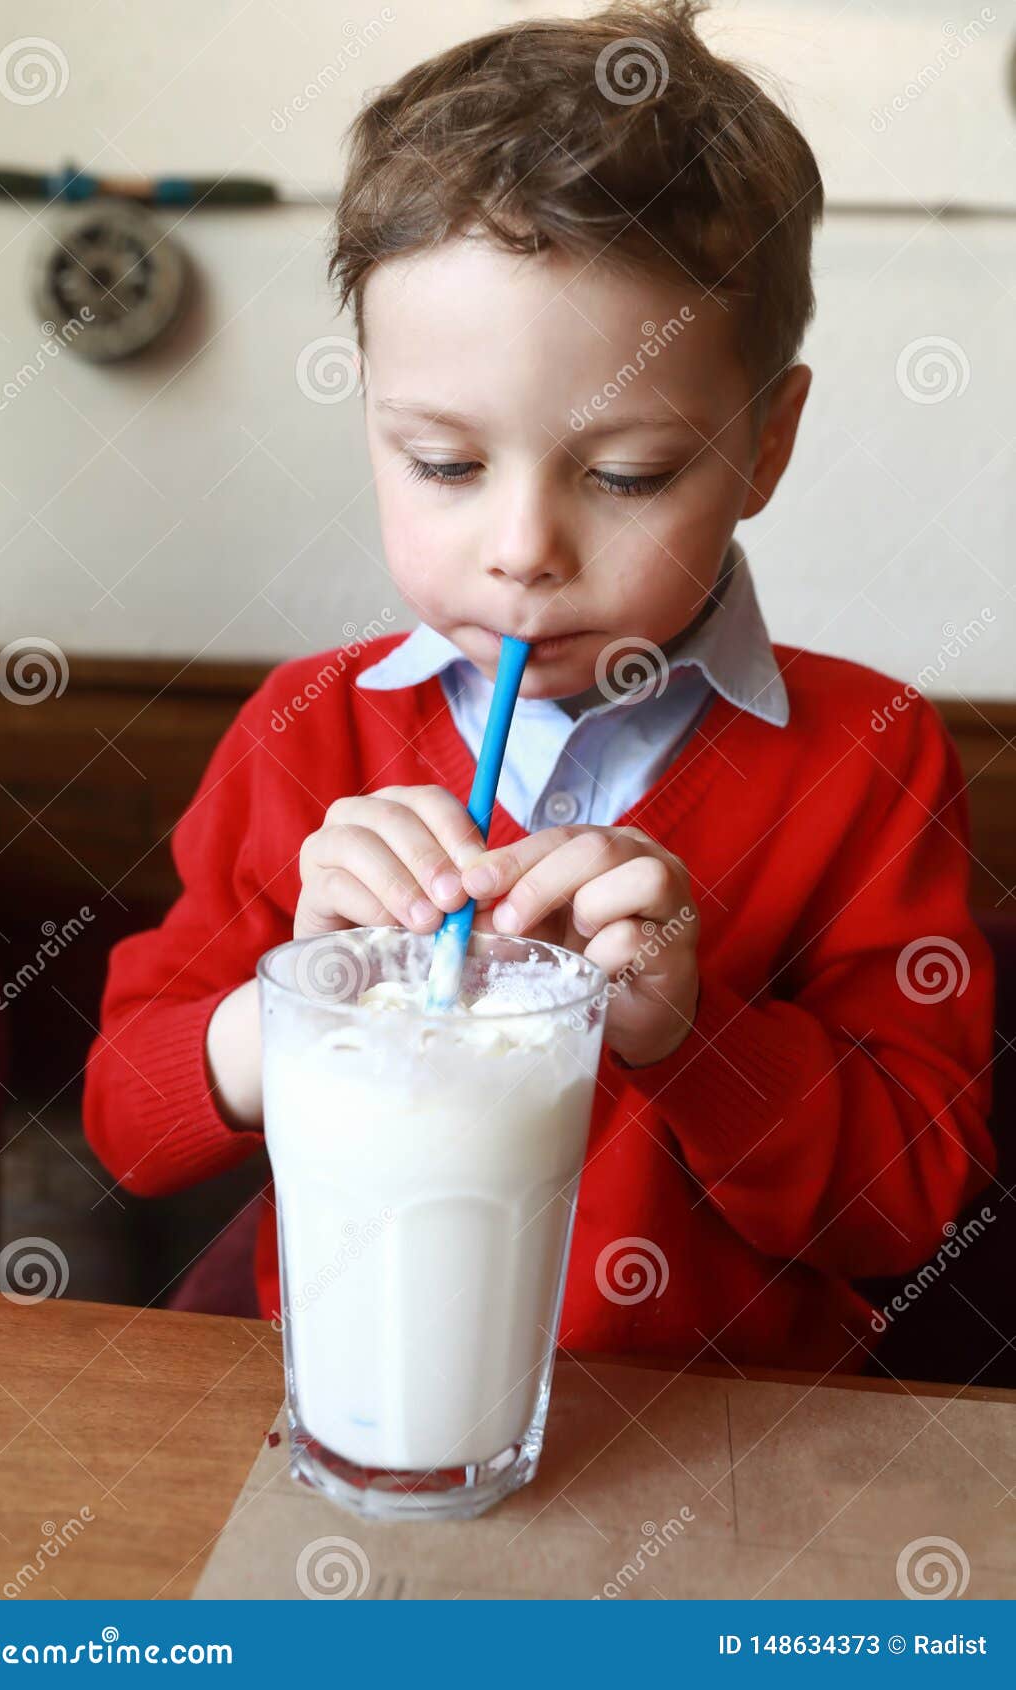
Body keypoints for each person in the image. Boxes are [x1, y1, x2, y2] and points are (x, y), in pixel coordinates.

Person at [83, 0, 994, 1374]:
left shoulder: (871, 752)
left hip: (736, 1441)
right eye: (444, 464)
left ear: (767, 443)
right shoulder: (304, 734)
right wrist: (304, 1001)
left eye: (628, 475)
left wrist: (694, 1036)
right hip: (366, 1413)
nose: (522, 551)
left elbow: (911, 1200)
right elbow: (126, 1123)